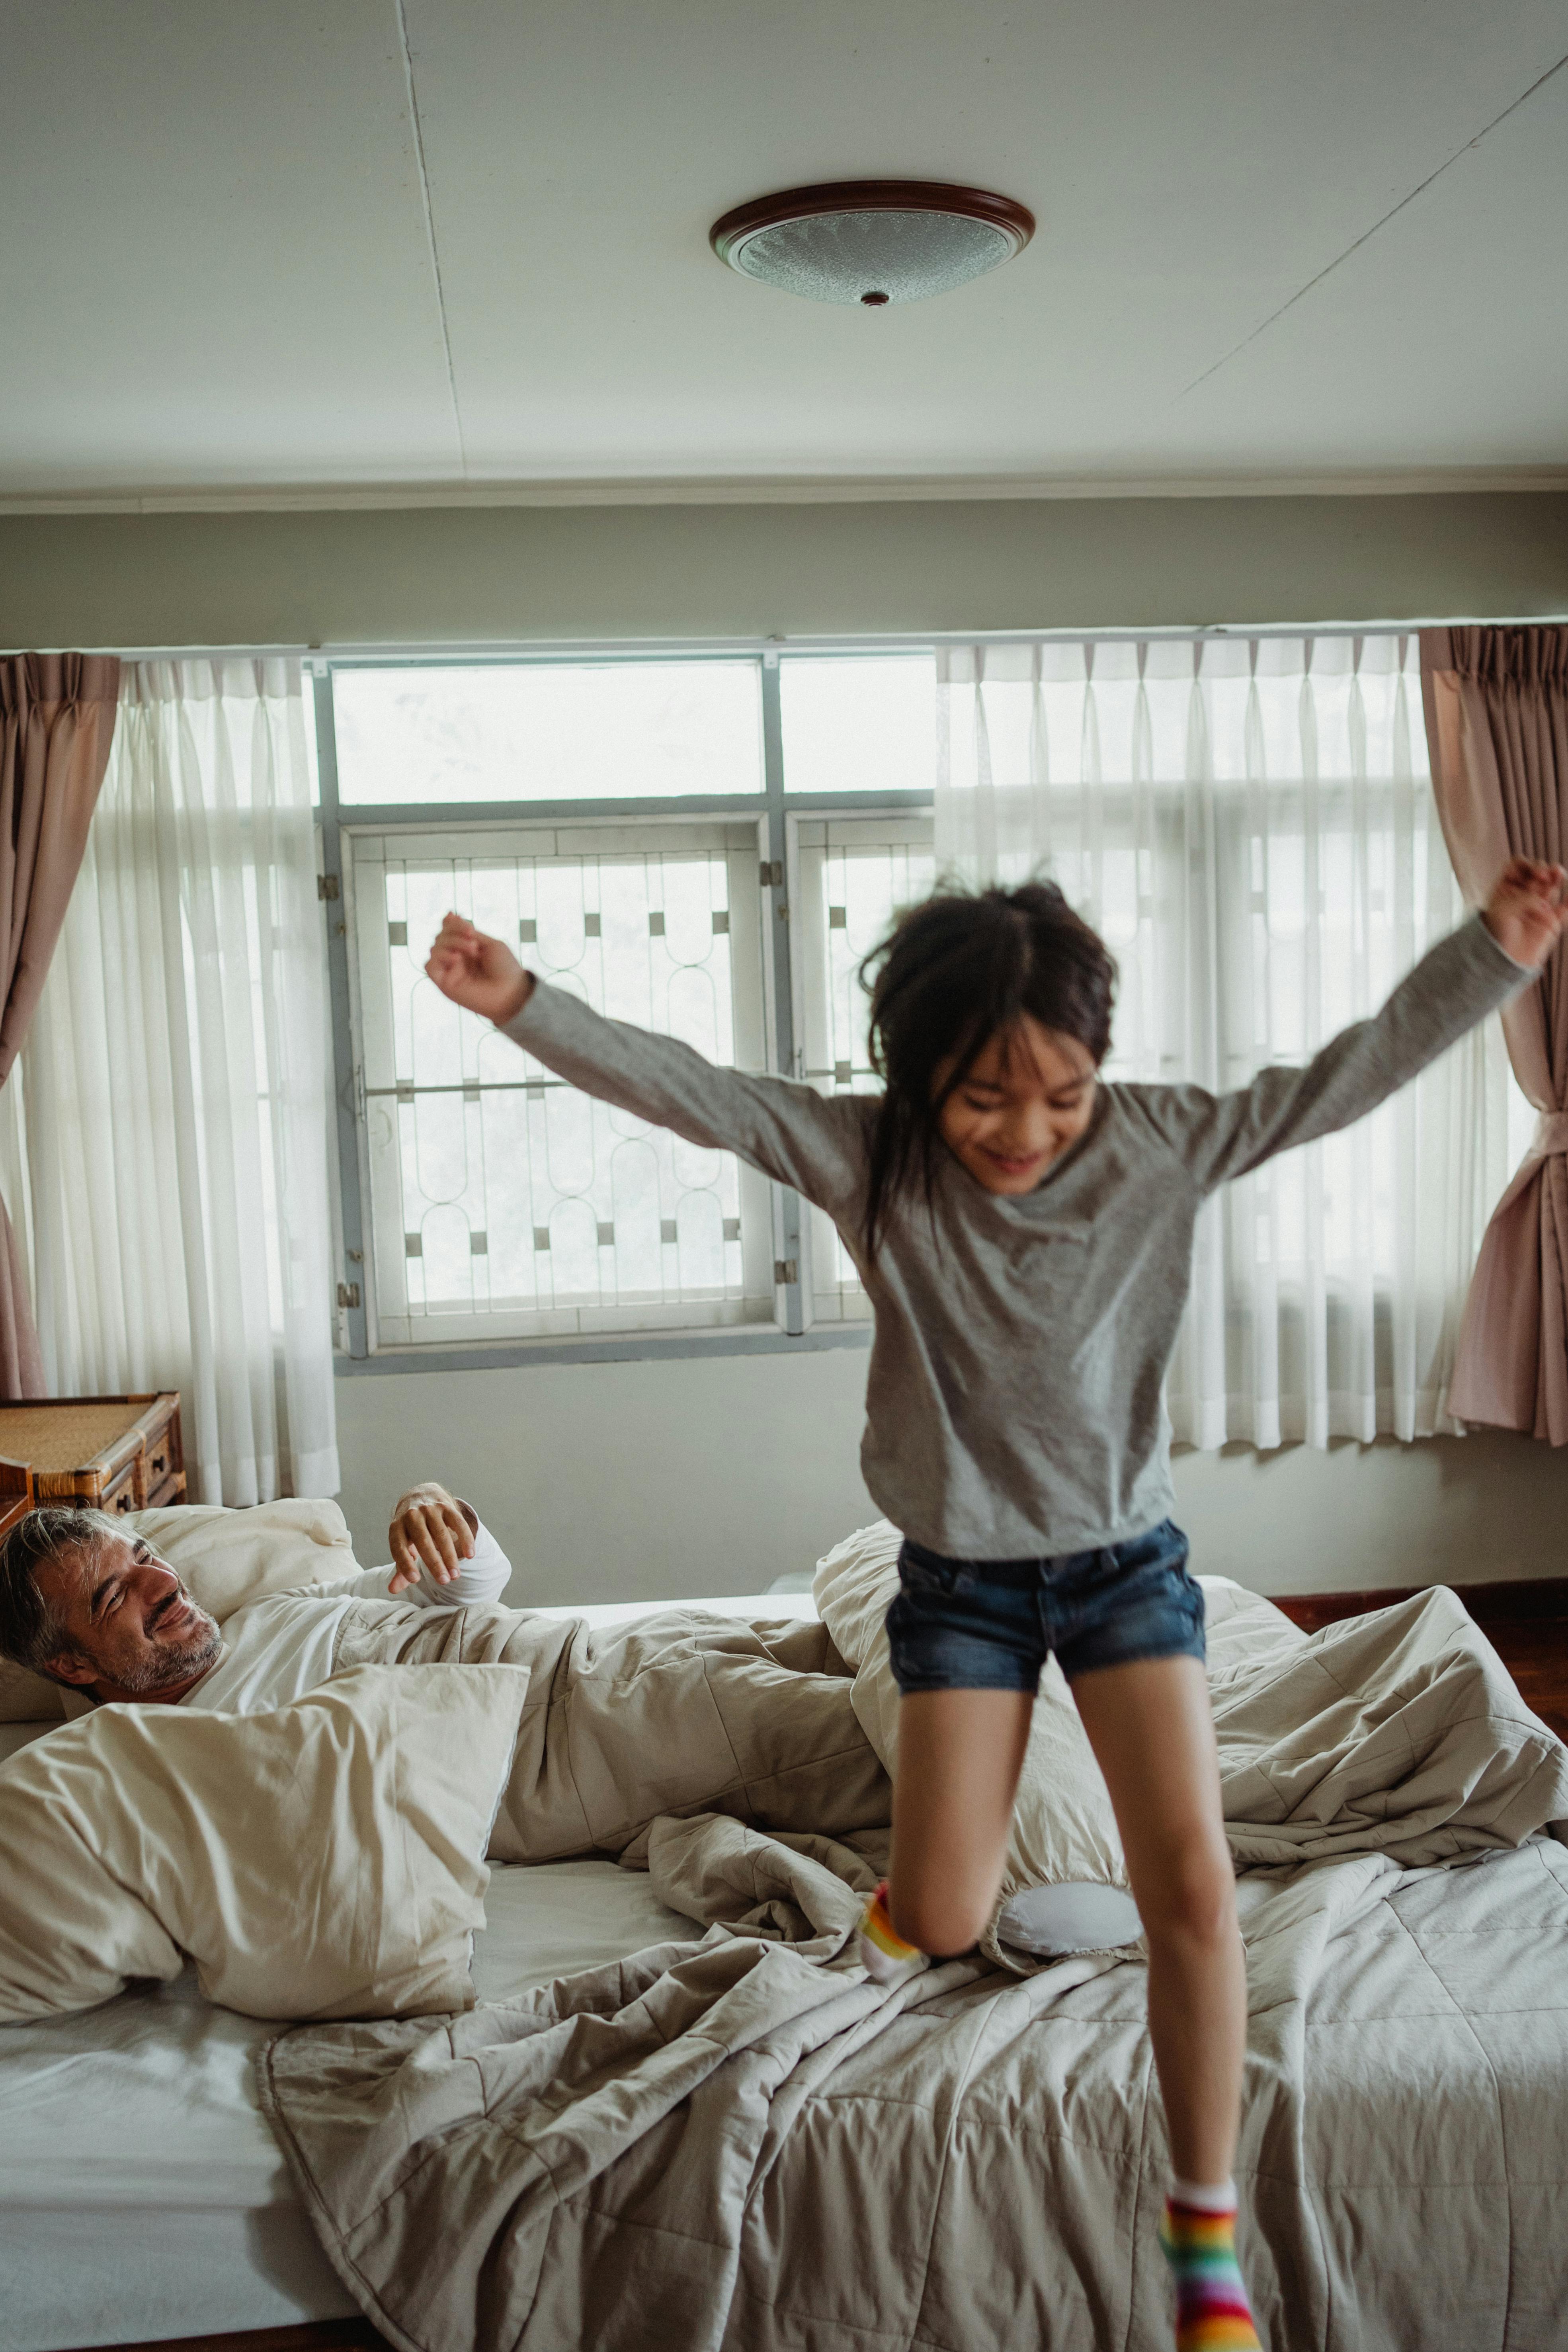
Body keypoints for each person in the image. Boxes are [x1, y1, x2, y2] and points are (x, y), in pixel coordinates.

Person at [427, 854, 1565, 2352]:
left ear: (1101, 1071)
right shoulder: (869, 1158)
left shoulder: (1161, 1141)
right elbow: (690, 1089)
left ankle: (1199, 2227)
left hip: (1122, 1571)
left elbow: (1346, 1076)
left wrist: (1492, 952)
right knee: (953, 1910)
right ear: (918, 1079)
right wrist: (524, 1004)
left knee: (1195, 1895)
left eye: (1062, 1094)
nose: (1025, 1131)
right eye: (983, 1098)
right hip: (957, 1586)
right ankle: (906, 1905)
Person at [0, 1482, 510, 1714]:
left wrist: (435, 1511)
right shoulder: (158, 1755)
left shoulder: (272, 1611)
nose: (163, 1583)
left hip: (543, 1656)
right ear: (70, 1666)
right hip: (524, 1727)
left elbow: (466, 1592)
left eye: (145, 1557)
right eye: (114, 1596)